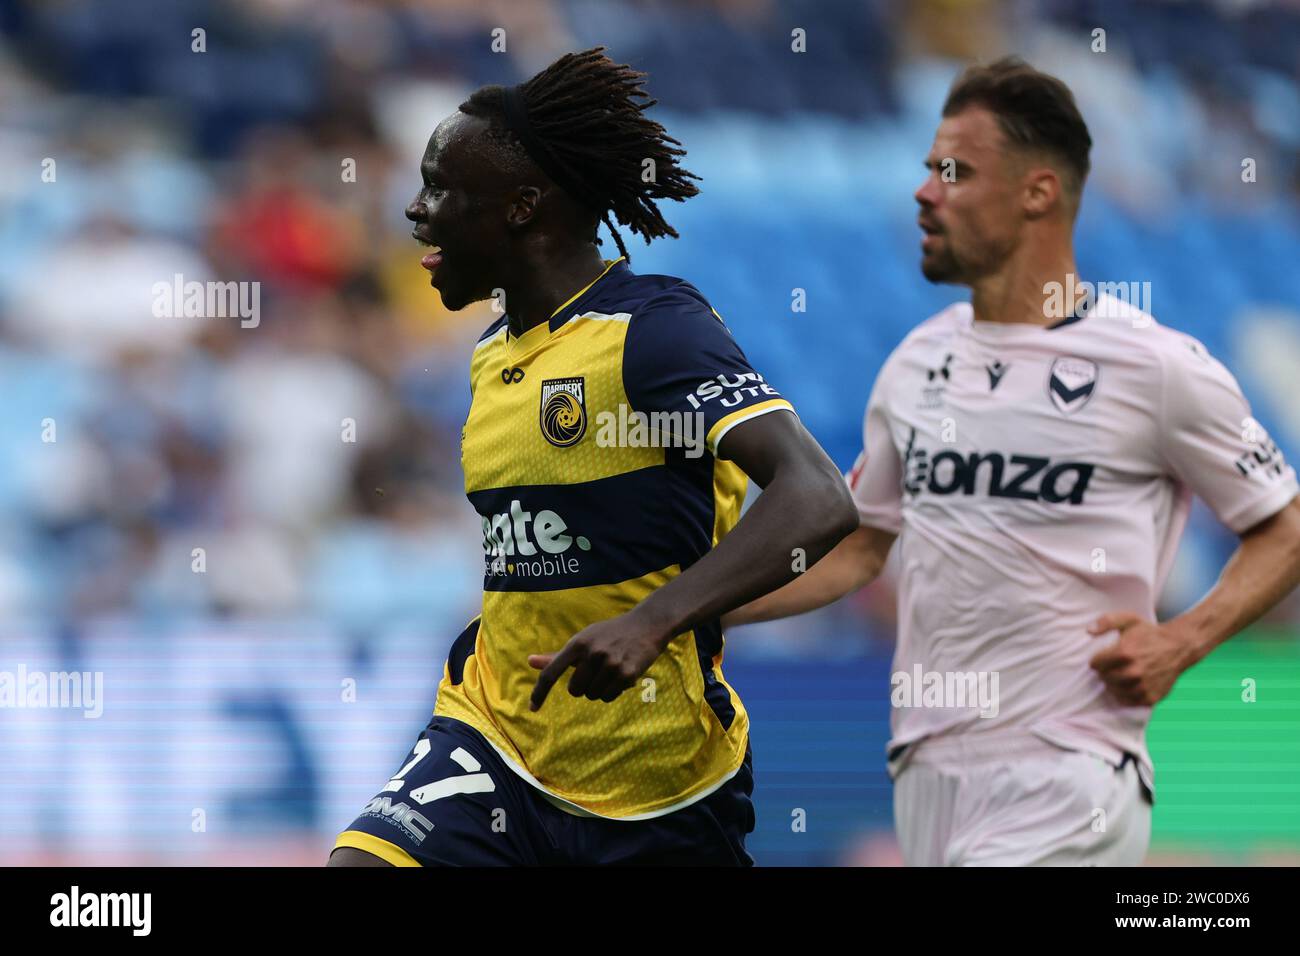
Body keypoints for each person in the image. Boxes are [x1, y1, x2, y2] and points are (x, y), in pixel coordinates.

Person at [725, 57, 1300, 866]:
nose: (925, 192)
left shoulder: (1156, 366)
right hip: (927, 771)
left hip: (1067, 775)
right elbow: (858, 548)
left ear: (1038, 192)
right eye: (928, 170)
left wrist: (1183, 641)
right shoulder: (916, 365)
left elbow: (1284, 526)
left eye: (954, 172)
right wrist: (690, 608)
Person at [329, 48, 857, 866]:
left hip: (659, 776)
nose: (415, 210)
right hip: (494, 735)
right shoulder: (489, 354)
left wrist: (654, 620)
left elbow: (817, 497)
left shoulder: (655, 332)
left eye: (440, 189)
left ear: (520, 208)